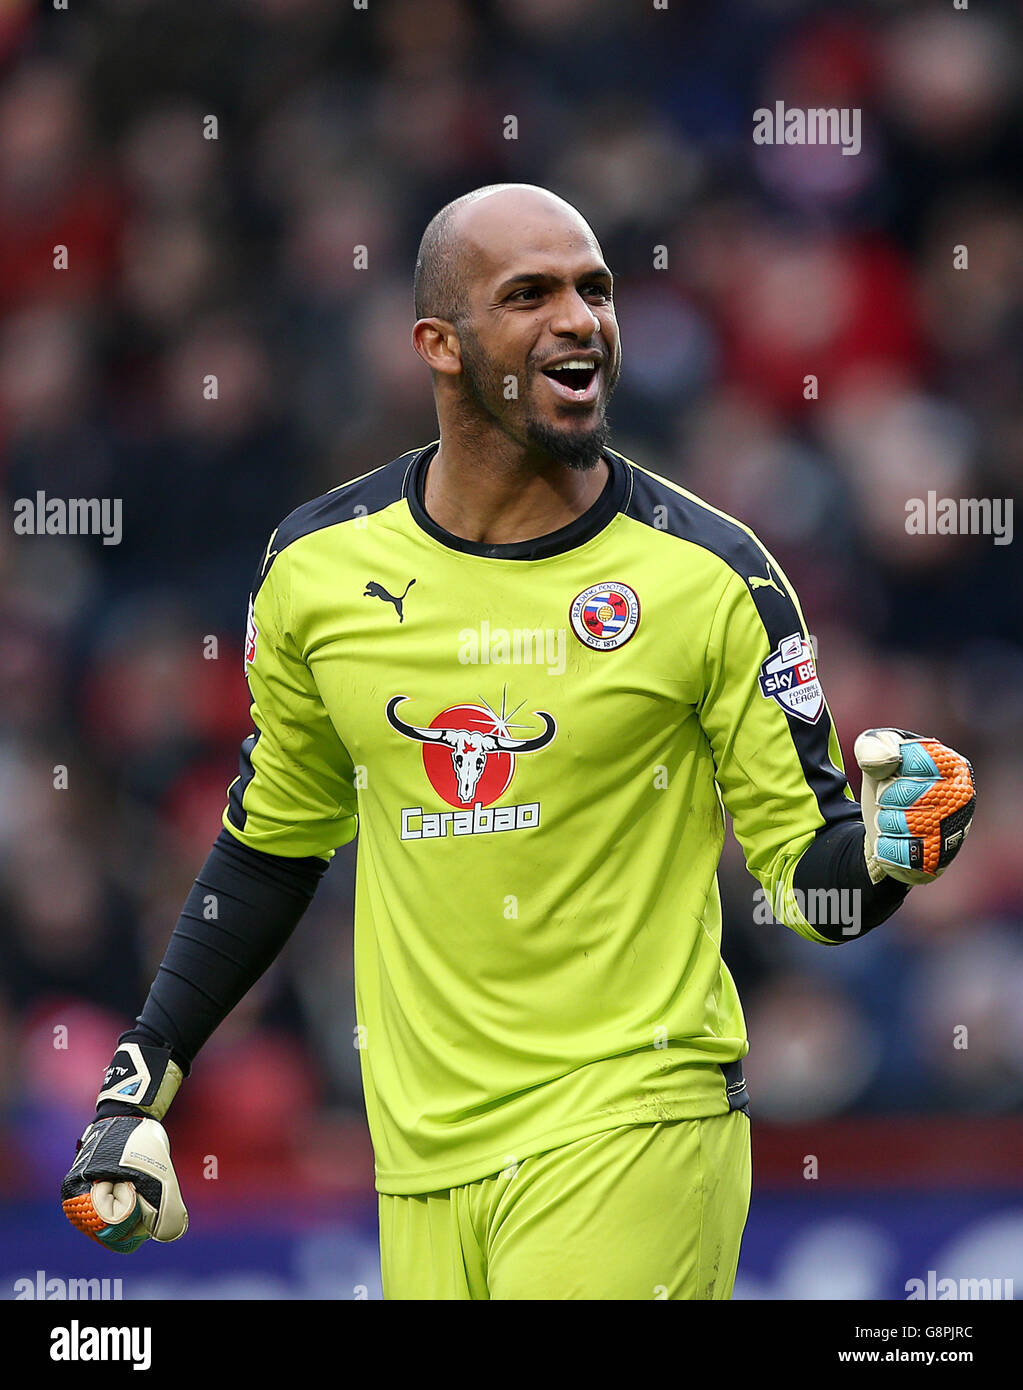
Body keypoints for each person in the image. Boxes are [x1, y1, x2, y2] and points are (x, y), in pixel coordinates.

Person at [61, 184, 976, 1299]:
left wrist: (890, 848)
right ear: (439, 346)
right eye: (529, 294)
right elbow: (271, 848)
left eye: (595, 289)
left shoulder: (711, 575)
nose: (580, 318)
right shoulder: (317, 573)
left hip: (634, 1122)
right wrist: (138, 1084)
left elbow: (813, 884)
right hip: (419, 1158)